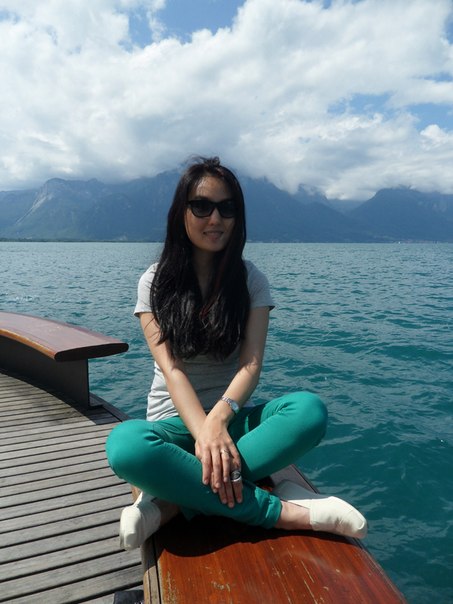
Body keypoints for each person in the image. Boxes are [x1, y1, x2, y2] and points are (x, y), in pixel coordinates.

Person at [105, 156, 367, 550]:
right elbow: (172, 370)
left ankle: (171, 503)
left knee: (309, 411)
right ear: (181, 213)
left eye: (227, 208)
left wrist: (218, 421)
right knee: (126, 446)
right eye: (202, 206)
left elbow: (251, 364)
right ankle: (285, 511)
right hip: (173, 425)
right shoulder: (154, 282)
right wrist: (203, 432)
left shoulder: (251, 281)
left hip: (231, 421)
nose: (216, 218)